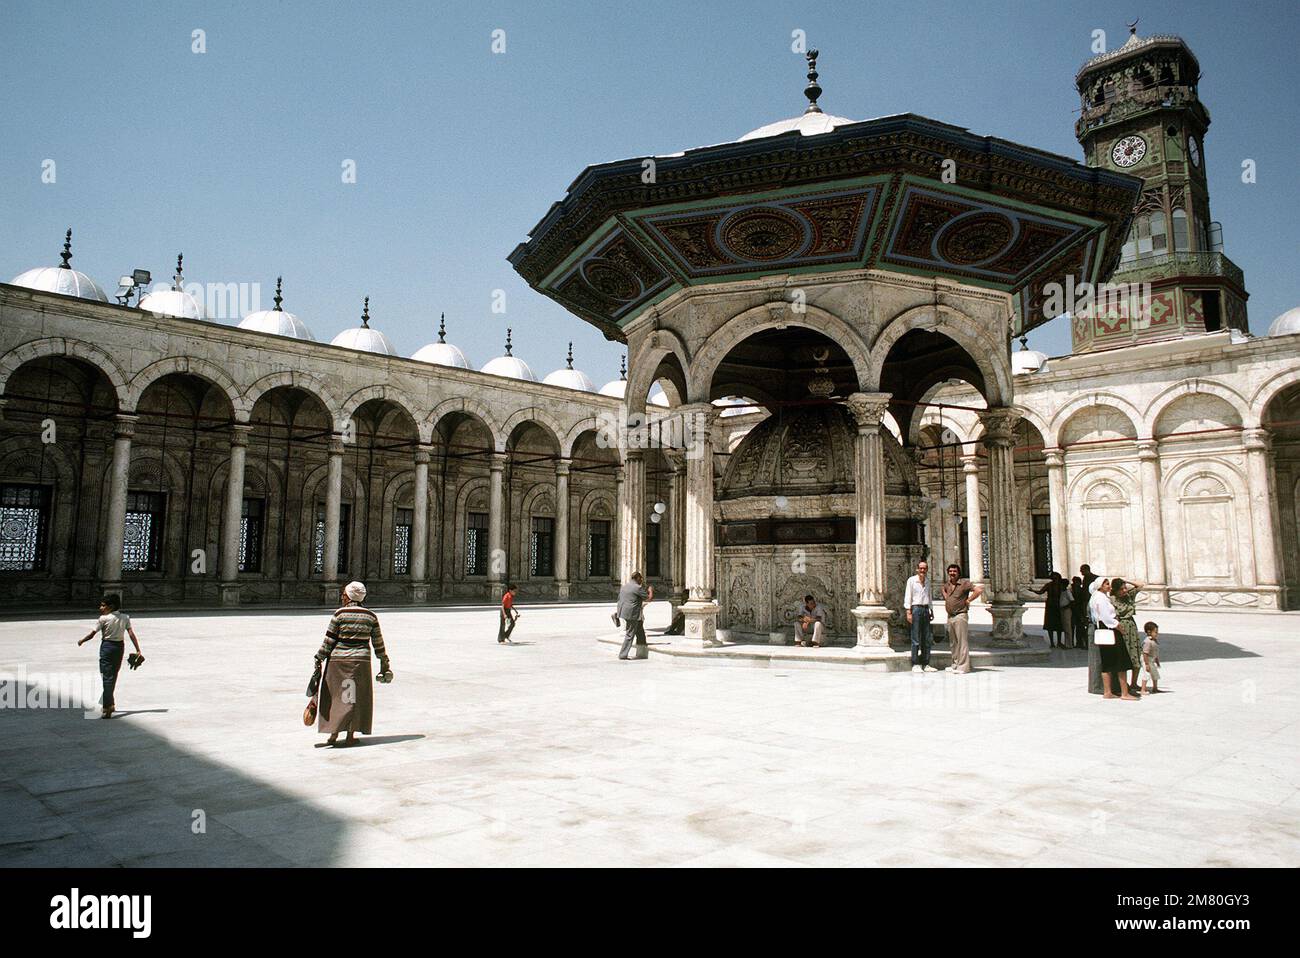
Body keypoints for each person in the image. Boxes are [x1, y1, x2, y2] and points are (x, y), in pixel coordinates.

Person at [314, 581, 391, 746]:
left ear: (347, 596)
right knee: (355, 698)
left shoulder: (339, 614)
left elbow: (329, 640)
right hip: (360, 662)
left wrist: (319, 657)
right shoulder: (371, 616)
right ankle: (350, 735)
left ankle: (334, 733)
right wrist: (384, 661)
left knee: (336, 697)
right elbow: (378, 642)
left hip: (338, 662)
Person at [76, 594, 142, 719]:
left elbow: (92, 634)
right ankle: (110, 703)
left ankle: (107, 706)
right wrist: (138, 649)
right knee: (113, 675)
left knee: (106, 676)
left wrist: (82, 640)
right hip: (119, 648)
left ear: (110, 606)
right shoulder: (125, 617)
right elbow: (131, 634)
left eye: (103, 605)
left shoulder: (103, 619)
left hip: (107, 647)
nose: (100, 607)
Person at [1088, 578, 1137, 700]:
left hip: (1103, 630)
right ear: (1100, 586)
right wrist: (1118, 626)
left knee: (1107, 662)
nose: (1109, 586)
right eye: (1106, 584)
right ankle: (1125, 693)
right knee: (1121, 662)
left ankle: (1107, 692)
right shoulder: (1101, 598)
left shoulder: (1096, 597)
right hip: (1111, 630)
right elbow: (1106, 616)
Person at [941, 563, 982, 674]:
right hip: (950, 616)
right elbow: (943, 589)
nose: (952, 573)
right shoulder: (948, 584)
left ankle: (963, 667)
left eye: (954, 571)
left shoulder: (964, 583)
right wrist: (947, 598)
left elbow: (978, 590)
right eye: (950, 571)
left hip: (960, 615)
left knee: (962, 642)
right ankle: (955, 664)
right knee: (953, 642)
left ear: (958, 573)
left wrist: (969, 600)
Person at [1111, 578, 1144, 695]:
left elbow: (1140, 585)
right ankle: (1122, 684)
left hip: (1131, 626)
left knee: (1136, 655)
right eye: (1121, 589)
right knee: (1123, 656)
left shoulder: (1129, 596)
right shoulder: (1112, 600)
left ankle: (1134, 683)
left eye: (1125, 588)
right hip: (1121, 627)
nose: (1124, 590)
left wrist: (1126, 581)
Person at [903, 560, 936, 673]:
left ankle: (926, 663)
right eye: (921, 568)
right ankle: (915, 663)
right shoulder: (912, 581)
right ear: (917, 569)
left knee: (927, 638)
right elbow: (908, 596)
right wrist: (908, 612)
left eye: (924, 568)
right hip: (916, 609)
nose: (922, 570)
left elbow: (929, 596)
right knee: (915, 637)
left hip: (925, 609)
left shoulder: (927, 581)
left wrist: (931, 609)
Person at [617, 572, 652, 660]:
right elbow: (648, 598)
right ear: (636, 578)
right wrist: (650, 590)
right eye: (640, 578)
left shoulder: (625, 586)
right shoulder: (637, 587)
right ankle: (623, 654)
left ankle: (642, 647)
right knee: (630, 634)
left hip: (624, 612)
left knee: (639, 628)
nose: (641, 581)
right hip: (632, 613)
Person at [1033, 571, 1067, 648]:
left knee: (1059, 625)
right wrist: (1032, 590)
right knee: (1050, 625)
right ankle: (1052, 642)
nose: (1055, 580)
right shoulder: (1049, 585)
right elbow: (1040, 592)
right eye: (1054, 578)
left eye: (1056, 578)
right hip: (1050, 606)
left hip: (1058, 606)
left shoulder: (1061, 586)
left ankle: (1059, 641)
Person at [1140, 621, 1162, 694]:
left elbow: (1155, 652)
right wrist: (1146, 664)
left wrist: (1157, 661)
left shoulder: (1154, 641)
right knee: (1147, 674)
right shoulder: (1147, 642)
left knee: (1155, 673)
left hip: (1152, 659)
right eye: (1155, 632)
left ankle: (1155, 688)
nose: (1157, 634)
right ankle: (1143, 690)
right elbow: (1145, 653)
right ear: (1149, 632)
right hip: (1146, 659)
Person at [1070, 575, 1088, 650]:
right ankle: (1072, 642)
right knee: (1072, 627)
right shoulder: (1071, 590)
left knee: (1080, 627)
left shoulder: (1081, 591)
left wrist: (1083, 613)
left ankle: (1080, 643)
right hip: (1073, 611)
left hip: (1079, 611)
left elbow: (1083, 602)